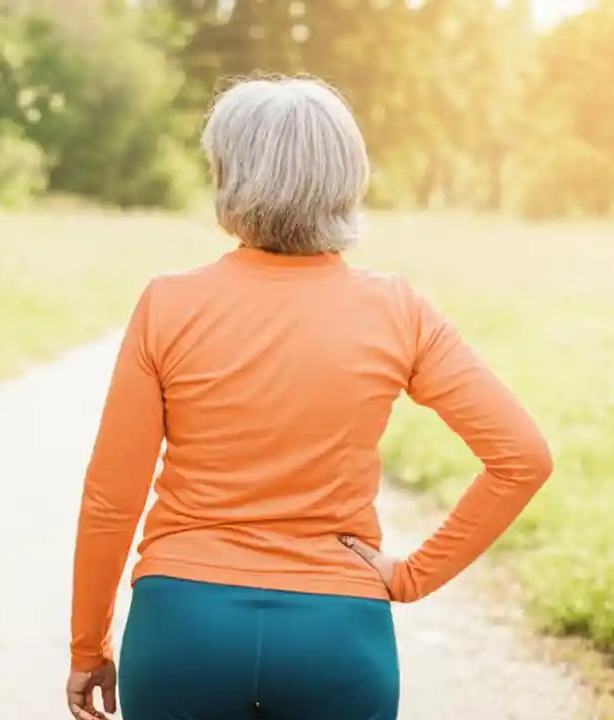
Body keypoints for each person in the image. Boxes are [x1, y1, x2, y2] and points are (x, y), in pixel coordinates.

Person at [65, 76, 553, 720]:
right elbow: (522, 458)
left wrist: (88, 647)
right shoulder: (397, 310)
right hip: (337, 638)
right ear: (347, 180)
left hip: (184, 628)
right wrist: (413, 576)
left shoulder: (168, 304)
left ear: (229, 176)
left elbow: (111, 499)